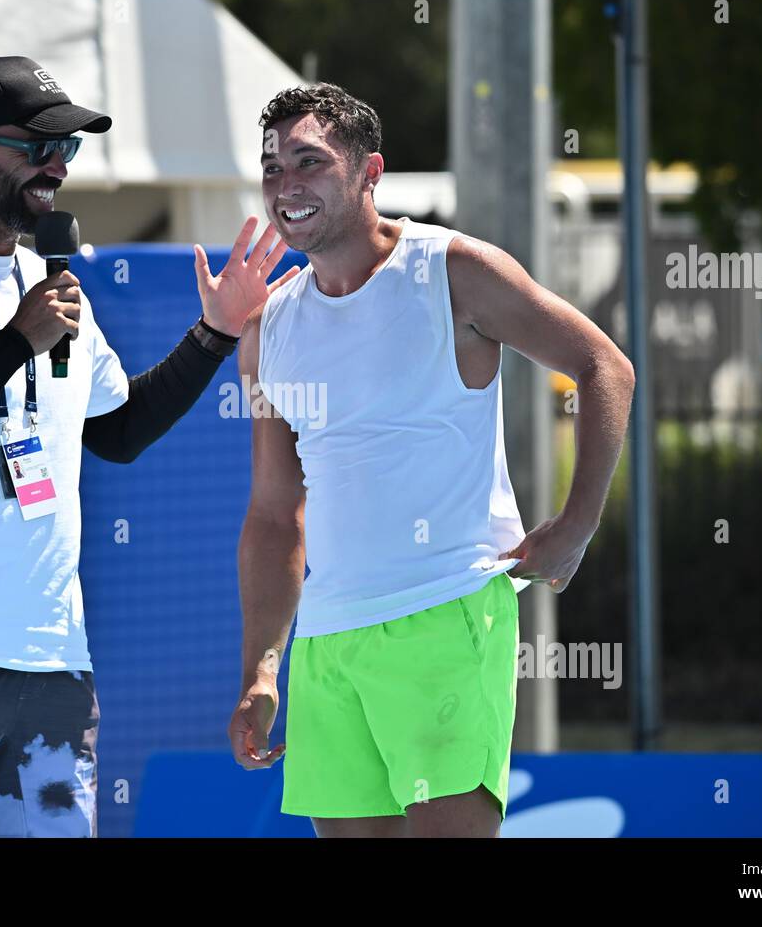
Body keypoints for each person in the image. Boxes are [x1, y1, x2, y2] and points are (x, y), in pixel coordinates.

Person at [0, 56, 298, 838]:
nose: (54, 167)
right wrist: (15, 342)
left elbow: (119, 431)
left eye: (66, 150)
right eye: (34, 146)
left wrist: (217, 332)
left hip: (52, 660)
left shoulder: (51, 283)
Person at [228, 83, 635, 838]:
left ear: (369, 171)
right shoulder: (267, 330)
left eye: (309, 163)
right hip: (328, 642)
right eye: (272, 169)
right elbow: (274, 513)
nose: (287, 187)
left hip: (447, 614)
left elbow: (603, 367)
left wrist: (577, 525)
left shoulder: (452, 271)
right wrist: (261, 668)